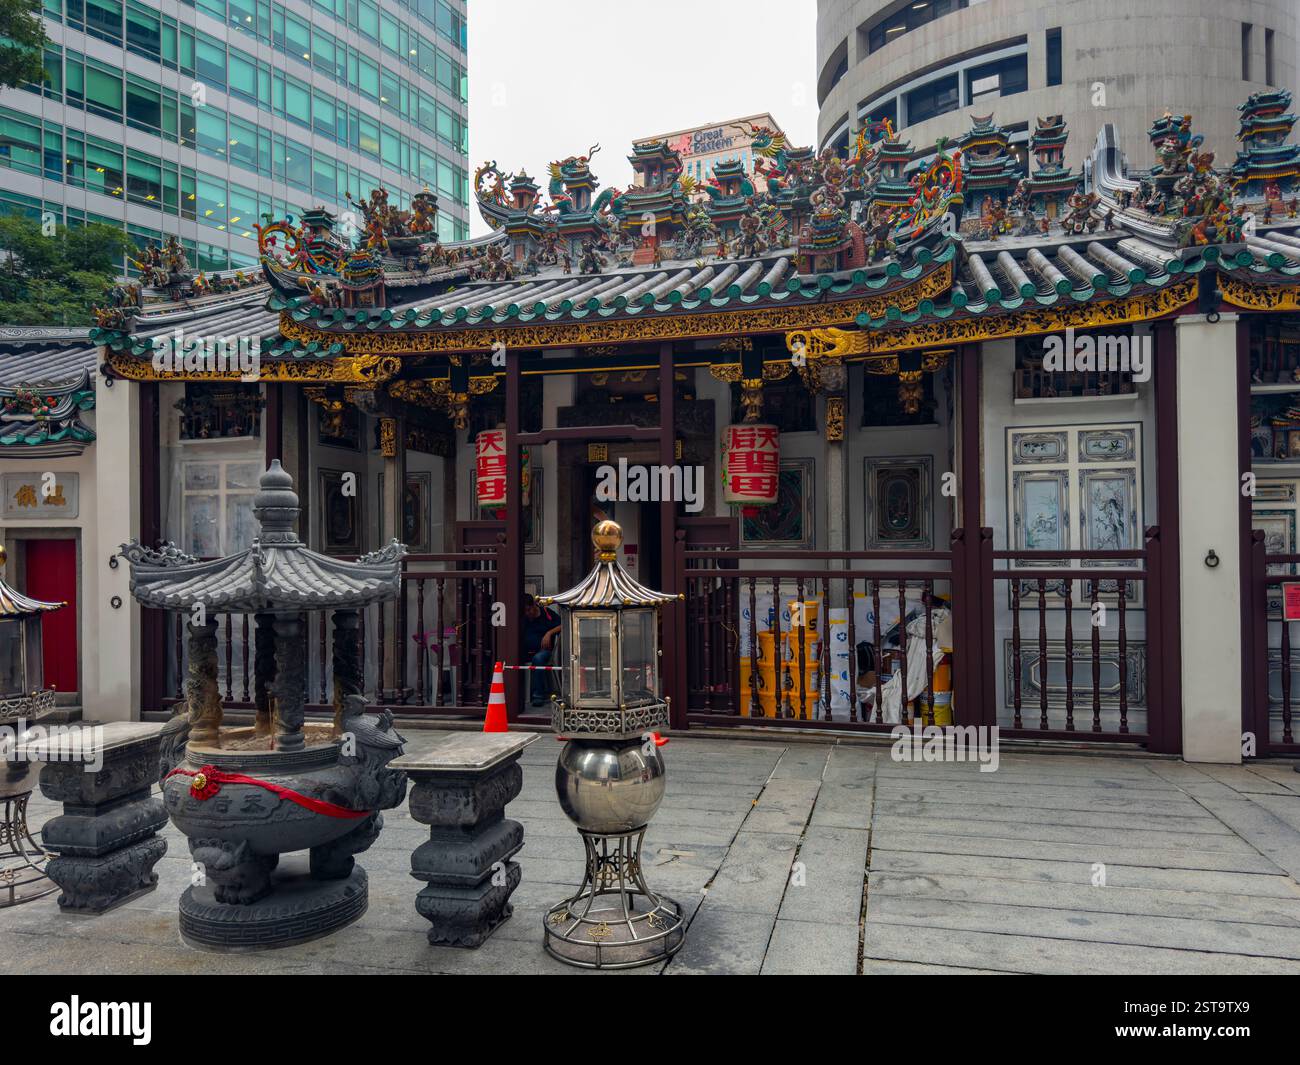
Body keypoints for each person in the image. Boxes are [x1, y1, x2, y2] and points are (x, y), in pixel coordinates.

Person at [522, 593, 561, 706]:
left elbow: (562, 624)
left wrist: (549, 633)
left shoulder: (546, 613)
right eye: (525, 611)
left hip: (543, 651)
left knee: (538, 659)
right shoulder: (524, 618)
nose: (528, 613)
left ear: (534, 604)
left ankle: (538, 695)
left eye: (529, 610)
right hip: (526, 651)